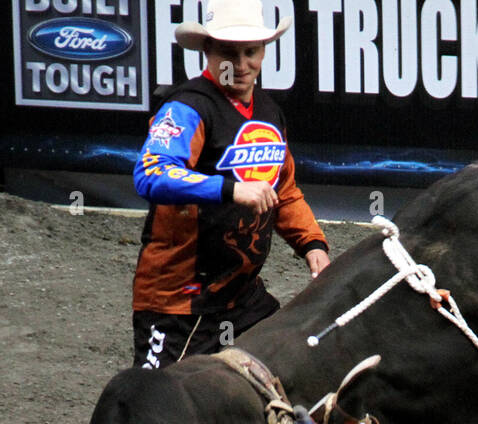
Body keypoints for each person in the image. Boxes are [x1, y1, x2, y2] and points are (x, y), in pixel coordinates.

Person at [131, 0, 330, 369]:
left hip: (243, 300)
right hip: (179, 302)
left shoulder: (269, 113)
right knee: (158, 409)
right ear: (207, 50)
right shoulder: (186, 108)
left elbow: (283, 191)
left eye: (250, 52)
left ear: (264, 52)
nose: (239, 66)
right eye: (228, 52)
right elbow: (150, 172)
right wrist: (229, 188)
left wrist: (312, 244)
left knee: (297, 373)